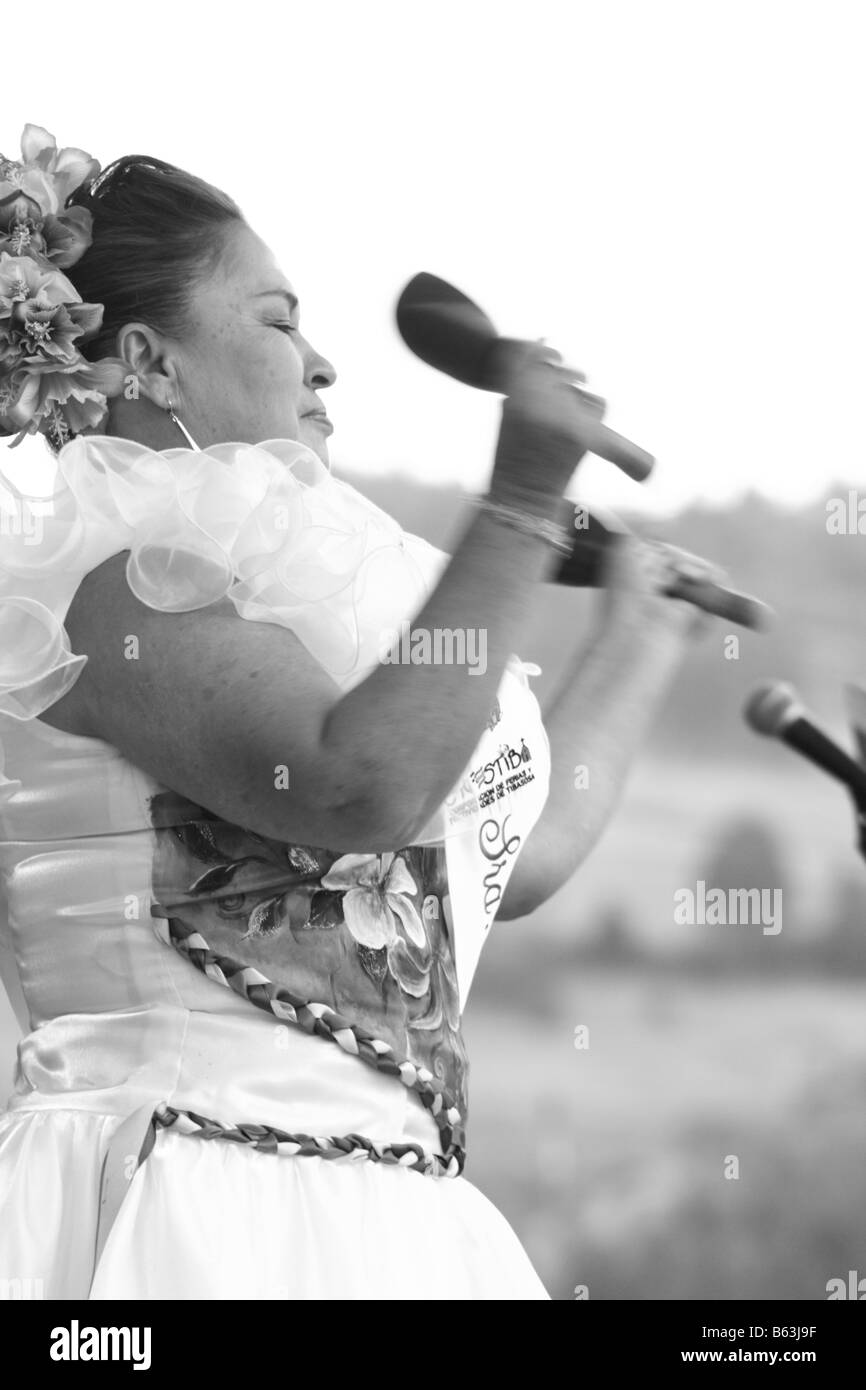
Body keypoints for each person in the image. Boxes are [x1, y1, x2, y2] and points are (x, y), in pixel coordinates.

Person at [0, 124, 720, 1300]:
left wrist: (642, 623)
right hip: (187, 1202)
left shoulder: (279, 596)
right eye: (280, 321)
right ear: (146, 359)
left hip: (371, 1217)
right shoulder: (104, 595)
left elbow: (508, 857)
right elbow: (359, 786)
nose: (322, 365)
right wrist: (522, 504)